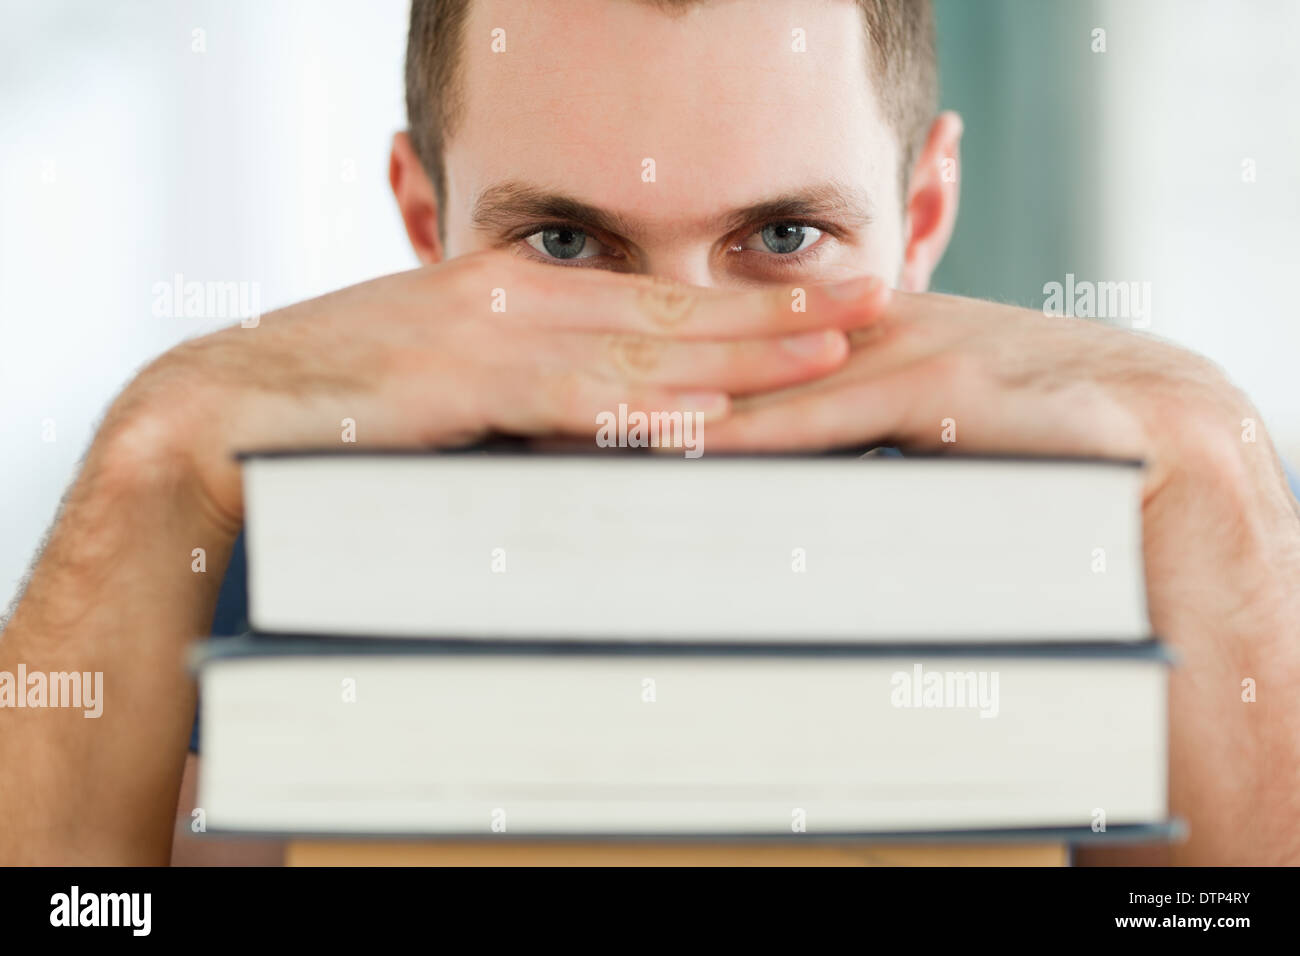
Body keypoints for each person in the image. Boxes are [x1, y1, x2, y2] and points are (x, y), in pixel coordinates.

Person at [2, 0, 1297, 866]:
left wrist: (1220, 469)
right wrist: (152, 451)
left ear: (924, 213)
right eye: (565, 246)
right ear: (422, 224)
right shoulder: (255, 556)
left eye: (784, 238)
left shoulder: (1138, 552)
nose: (668, 383)